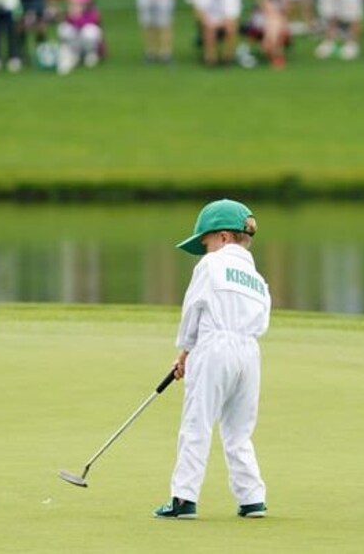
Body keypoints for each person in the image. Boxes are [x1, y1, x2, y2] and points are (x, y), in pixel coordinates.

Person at [154, 198, 271, 520]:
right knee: (238, 430)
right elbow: (263, 321)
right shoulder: (257, 278)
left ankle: (184, 499)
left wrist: (185, 351)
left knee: (197, 423)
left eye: (205, 243)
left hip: (215, 346)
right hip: (249, 353)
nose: (204, 251)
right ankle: (252, 499)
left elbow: (193, 310)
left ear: (223, 237)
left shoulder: (210, 266)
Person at [193, 0, 241, 66]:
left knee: (230, 27)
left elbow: (231, 15)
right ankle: (211, 58)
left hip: (224, 21)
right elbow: (199, 11)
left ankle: (228, 56)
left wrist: (219, 23)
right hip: (209, 21)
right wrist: (207, 21)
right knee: (209, 27)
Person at [56, 0, 102, 75]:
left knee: (90, 30)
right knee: (64, 28)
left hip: (86, 43)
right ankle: (72, 56)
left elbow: (88, 24)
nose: (75, 5)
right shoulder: (69, 13)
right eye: (73, 3)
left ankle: (90, 55)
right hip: (75, 42)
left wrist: (77, 17)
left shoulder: (92, 13)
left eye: (78, 3)